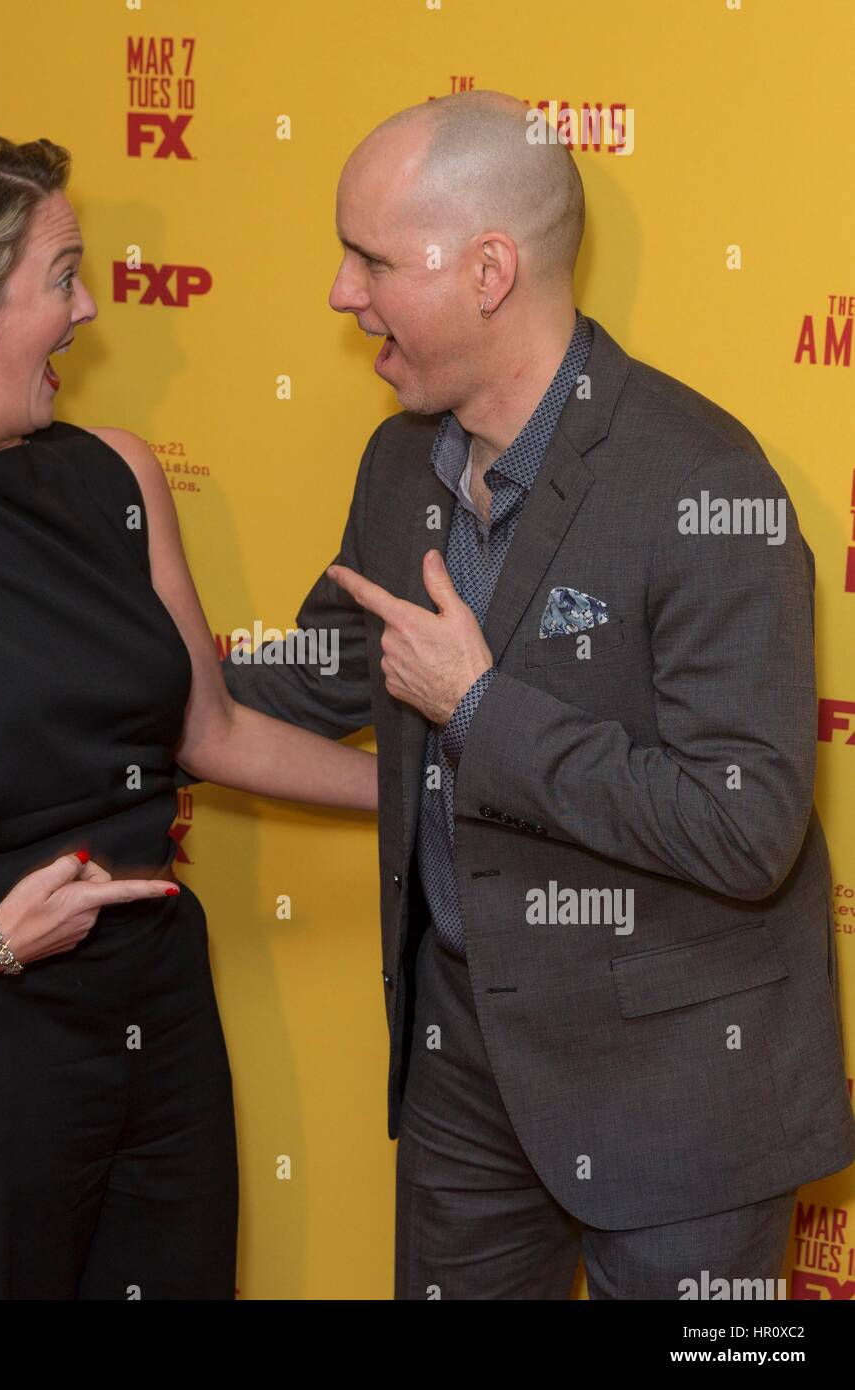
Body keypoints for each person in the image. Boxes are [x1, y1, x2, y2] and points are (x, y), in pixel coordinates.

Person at [210, 90, 855, 1298]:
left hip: (684, 1099)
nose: (341, 293)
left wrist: (480, 708)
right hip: (467, 1065)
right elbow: (329, 672)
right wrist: (107, 663)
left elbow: (744, 824)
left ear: (489, 269)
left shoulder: (709, 484)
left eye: (370, 259)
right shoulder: (403, 454)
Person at [0, 136, 377, 1300]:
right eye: (64, 275)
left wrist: (434, 791)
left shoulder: (118, 476)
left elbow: (213, 734)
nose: (90, 307)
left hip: (157, 1004)